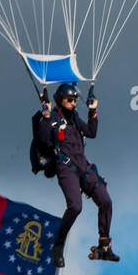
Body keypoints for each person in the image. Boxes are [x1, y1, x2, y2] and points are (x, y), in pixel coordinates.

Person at [34, 82, 118, 264]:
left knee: (106, 200)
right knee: (75, 207)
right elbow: (41, 141)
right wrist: (46, 117)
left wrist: (92, 111)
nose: (73, 103)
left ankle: (104, 245)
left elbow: (91, 132)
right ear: (60, 100)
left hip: (84, 167)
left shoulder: (74, 118)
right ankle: (58, 245)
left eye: (74, 100)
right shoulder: (52, 119)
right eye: (69, 100)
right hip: (66, 168)